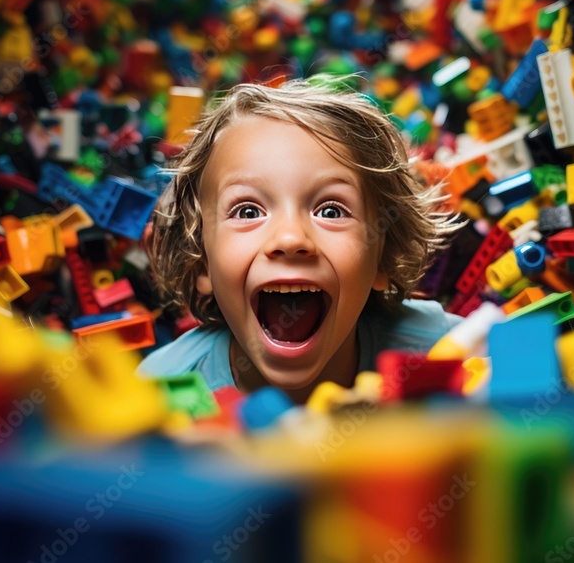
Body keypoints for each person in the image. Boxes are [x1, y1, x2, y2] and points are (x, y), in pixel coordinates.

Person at [138, 78, 463, 403]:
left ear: (382, 258)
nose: (291, 238)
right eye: (248, 211)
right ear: (203, 262)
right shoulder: (157, 398)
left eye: (332, 211)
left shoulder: (444, 348)